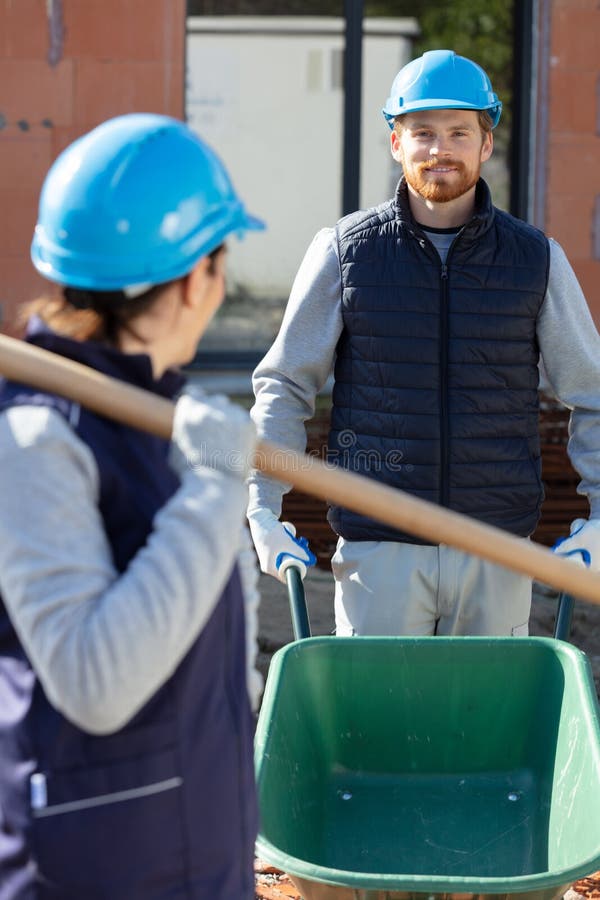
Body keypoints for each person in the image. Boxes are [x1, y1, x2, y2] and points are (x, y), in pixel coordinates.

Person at [247, 49, 600, 637]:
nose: (440, 150)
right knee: (377, 726)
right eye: (423, 133)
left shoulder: (535, 259)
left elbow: (592, 393)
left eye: (459, 132)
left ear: (486, 145)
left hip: (497, 552)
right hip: (378, 555)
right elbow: (284, 383)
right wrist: (262, 504)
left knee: (481, 728)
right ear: (395, 143)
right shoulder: (343, 252)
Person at [0, 114, 264, 898]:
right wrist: (217, 490)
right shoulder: (37, 436)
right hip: (96, 867)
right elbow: (95, 680)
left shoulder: (162, 419)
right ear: (196, 280)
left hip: (198, 849)